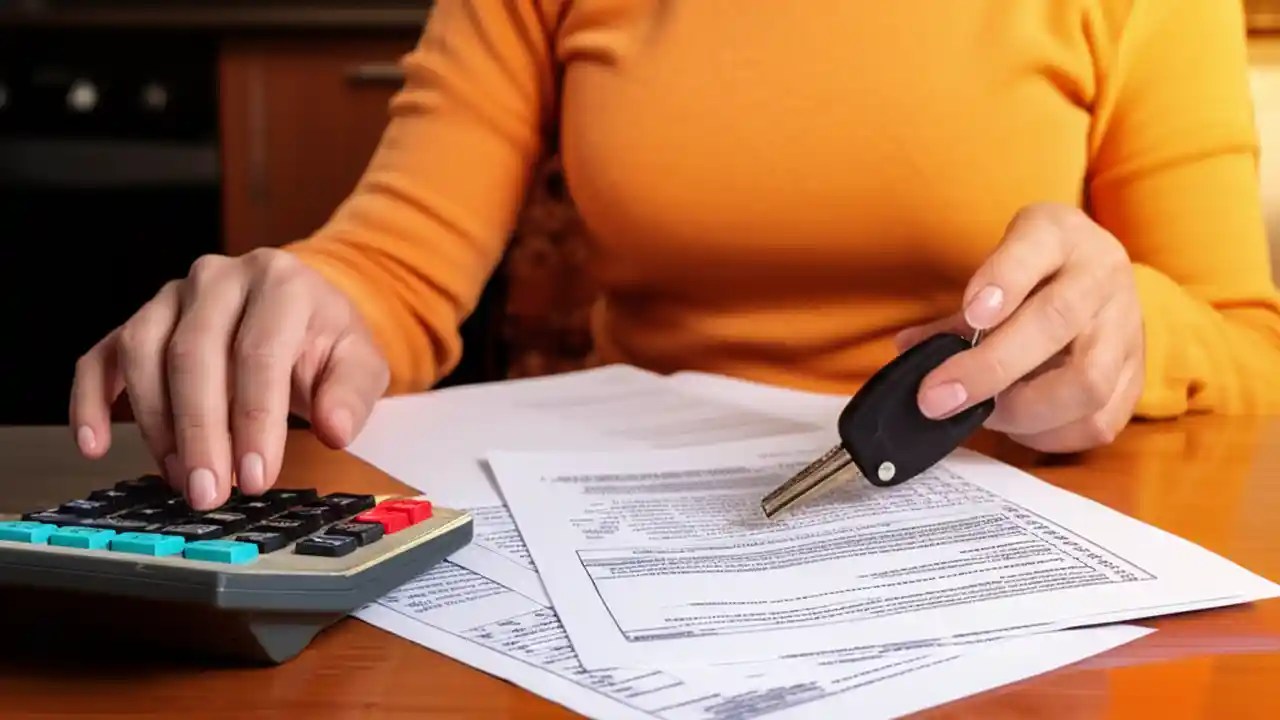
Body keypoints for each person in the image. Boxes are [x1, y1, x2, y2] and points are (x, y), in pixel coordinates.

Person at [69, 1, 1280, 510]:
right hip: (623, 537)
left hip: (1002, 544)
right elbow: (394, 268)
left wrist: (1128, 334)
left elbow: (1241, 348)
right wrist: (300, 302)